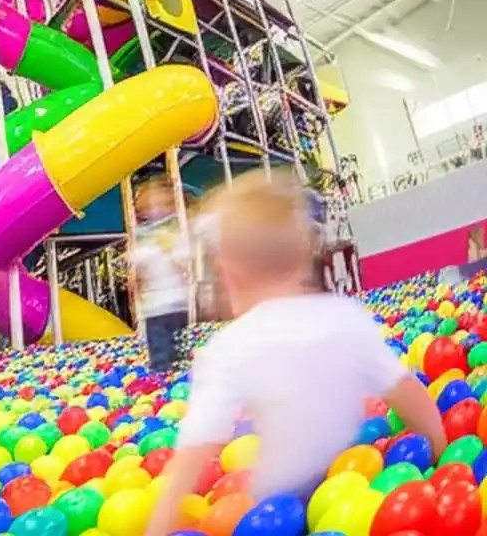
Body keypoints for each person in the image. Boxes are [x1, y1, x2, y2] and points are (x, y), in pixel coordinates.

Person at [145, 170, 446, 536]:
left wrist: (157, 527)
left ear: (228, 275)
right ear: (307, 257)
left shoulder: (227, 349)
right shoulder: (346, 316)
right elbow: (408, 391)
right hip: (363, 476)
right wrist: (439, 458)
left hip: (282, 505)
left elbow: (193, 451)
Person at [129, 176, 192, 371]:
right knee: (170, 347)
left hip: (166, 304)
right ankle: (173, 377)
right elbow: (139, 273)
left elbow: (184, 265)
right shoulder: (149, 237)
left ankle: (167, 378)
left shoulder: (164, 236)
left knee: (165, 350)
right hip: (165, 303)